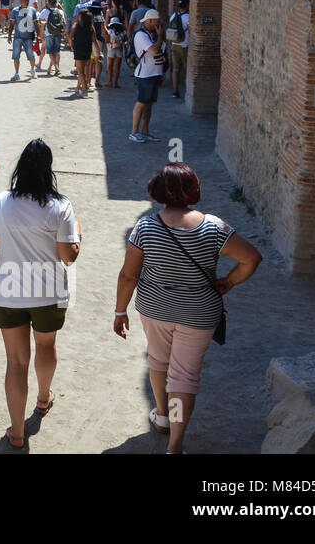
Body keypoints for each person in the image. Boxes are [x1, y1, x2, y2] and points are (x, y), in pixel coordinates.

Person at [113, 163, 263, 453]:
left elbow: (128, 275)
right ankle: (174, 446)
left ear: (157, 190)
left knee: (158, 361)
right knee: (184, 378)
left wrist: (120, 312)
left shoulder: (144, 228)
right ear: (194, 189)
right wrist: (230, 282)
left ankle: (162, 416)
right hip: (199, 314)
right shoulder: (214, 227)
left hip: (155, 309)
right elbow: (252, 259)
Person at [0, 139, 81, 448]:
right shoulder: (61, 206)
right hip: (48, 292)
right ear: (48, 170)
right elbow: (68, 256)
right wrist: (76, 235)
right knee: (45, 346)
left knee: (15, 362)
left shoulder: (1, 202)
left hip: (8, 291)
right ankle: (42, 398)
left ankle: (16, 433)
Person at [130, 10, 166, 143]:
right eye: (158, 21)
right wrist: (161, 36)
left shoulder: (152, 34)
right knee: (141, 103)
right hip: (144, 75)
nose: (160, 23)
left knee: (149, 104)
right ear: (150, 21)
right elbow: (154, 50)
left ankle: (145, 131)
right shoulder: (141, 35)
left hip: (154, 73)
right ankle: (134, 132)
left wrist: (160, 72)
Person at [9, 0, 39, 81]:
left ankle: (33, 70)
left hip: (28, 37)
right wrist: (9, 35)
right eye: (24, 0)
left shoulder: (32, 10)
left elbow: (36, 23)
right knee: (15, 56)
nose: (26, 2)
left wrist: (39, 35)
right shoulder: (15, 11)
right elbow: (11, 24)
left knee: (31, 55)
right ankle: (16, 73)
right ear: (20, 1)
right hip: (18, 37)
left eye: (27, 0)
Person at [70, 9, 99, 97]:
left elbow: (70, 37)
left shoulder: (76, 25)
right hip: (87, 50)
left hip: (78, 49)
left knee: (80, 71)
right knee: (83, 70)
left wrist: (72, 47)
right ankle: (77, 88)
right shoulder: (91, 27)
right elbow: (94, 40)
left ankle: (84, 90)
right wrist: (99, 51)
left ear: (80, 16)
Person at [168, 0, 190, 99]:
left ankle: (175, 91)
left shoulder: (173, 15)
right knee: (187, 69)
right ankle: (188, 92)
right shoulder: (188, 17)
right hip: (184, 45)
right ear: (187, 5)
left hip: (174, 44)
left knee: (175, 69)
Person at [42, 0, 66, 77]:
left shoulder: (45, 11)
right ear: (56, 3)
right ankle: (50, 68)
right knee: (56, 51)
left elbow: (40, 21)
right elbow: (64, 22)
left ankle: (56, 67)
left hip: (48, 33)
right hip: (58, 33)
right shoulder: (60, 11)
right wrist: (64, 32)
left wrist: (41, 32)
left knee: (50, 52)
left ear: (48, 3)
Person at [105, 16, 127, 88]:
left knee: (110, 66)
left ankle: (110, 81)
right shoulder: (123, 32)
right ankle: (115, 83)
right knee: (117, 68)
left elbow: (107, 40)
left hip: (111, 49)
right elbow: (125, 39)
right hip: (119, 49)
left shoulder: (110, 31)